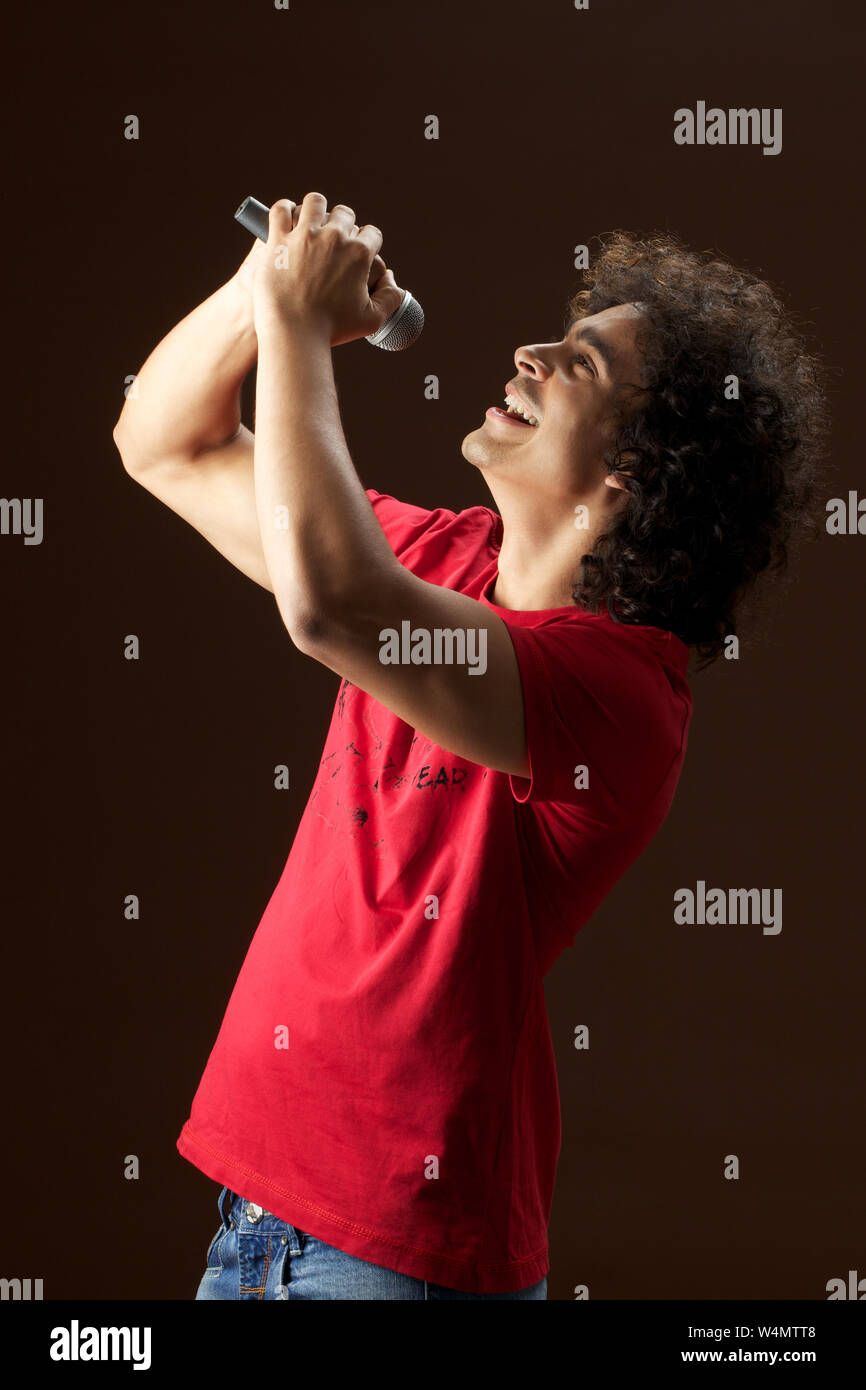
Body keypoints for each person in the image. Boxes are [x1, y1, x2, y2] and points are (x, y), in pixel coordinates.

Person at [112, 194, 828, 1299]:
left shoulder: (619, 692)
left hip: (391, 1253)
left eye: (577, 362)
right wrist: (268, 284)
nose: (529, 354)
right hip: (260, 1216)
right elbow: (163, 439)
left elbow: (331, 608)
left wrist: (302, 333)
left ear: (631, 472)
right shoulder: (441, 559)